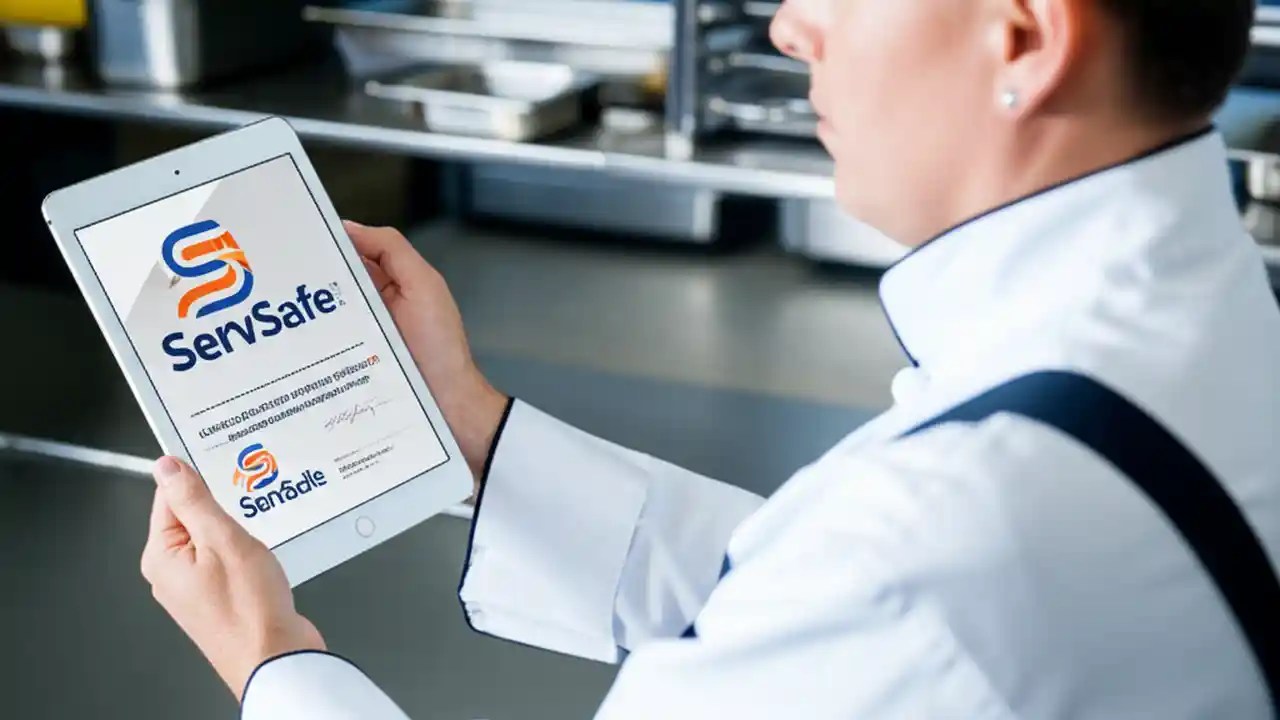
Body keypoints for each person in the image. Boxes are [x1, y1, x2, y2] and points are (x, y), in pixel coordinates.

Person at [138, 0, 1280, 717]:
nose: (789, 26)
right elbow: (812, 604)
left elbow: (889, 602)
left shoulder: (940, 551)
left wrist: (274, 662)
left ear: (1023, 38)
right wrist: (473, 429)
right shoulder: (1208, 312)